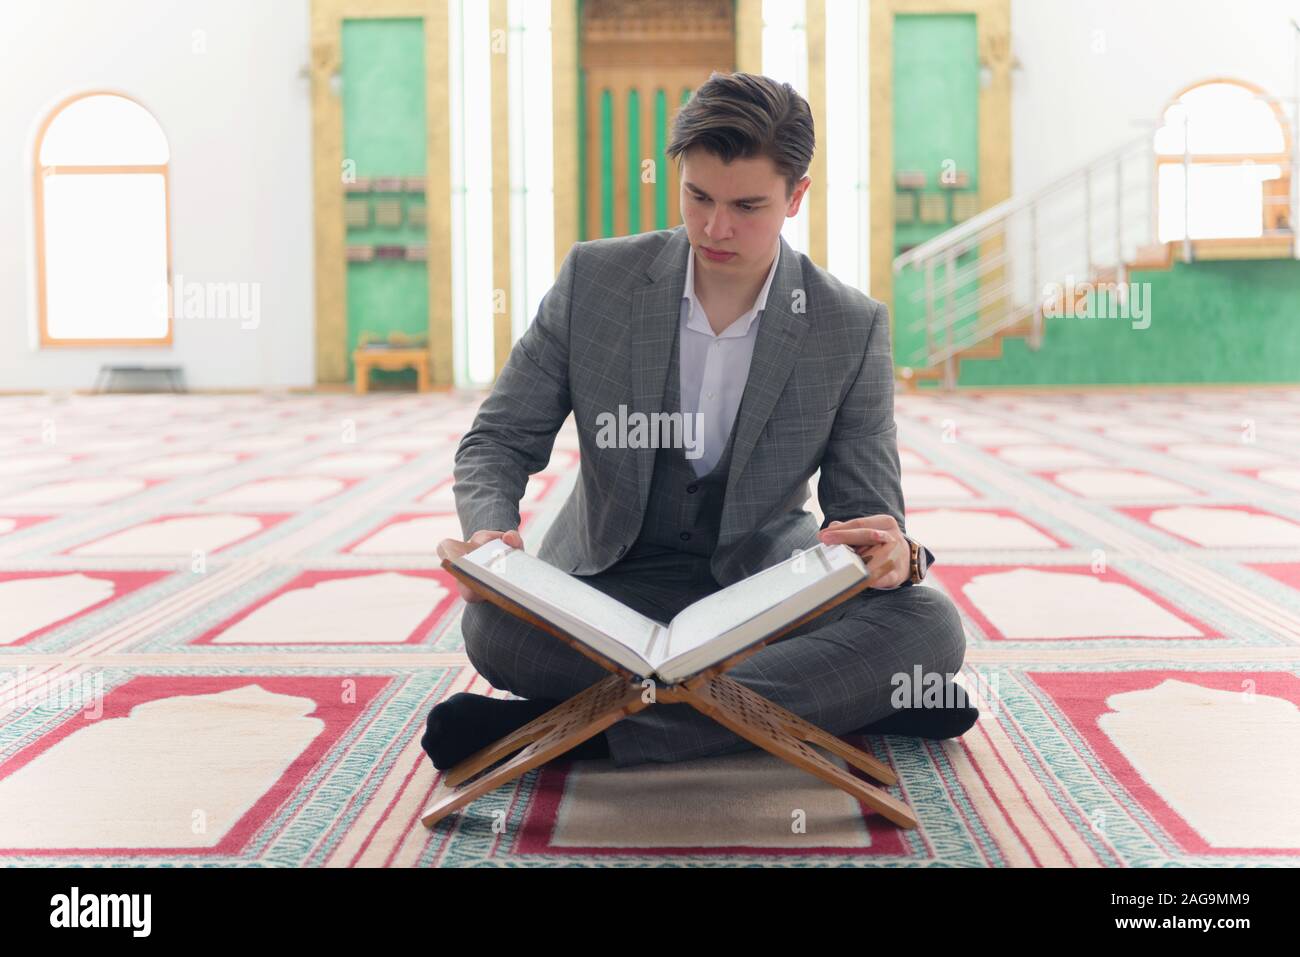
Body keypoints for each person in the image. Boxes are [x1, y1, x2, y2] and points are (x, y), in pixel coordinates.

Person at [423, 72, 974, 772]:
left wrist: (889, 548)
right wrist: (487, 534)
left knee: (928, 626)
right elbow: (498, 439)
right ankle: (806, 707)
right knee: (491, 624)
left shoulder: (850, 325)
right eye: (698, 197)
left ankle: (578, 733)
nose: (716, 227)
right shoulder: (595, 280)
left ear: (796, 196)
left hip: (761, 597)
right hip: (605, 583)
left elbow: (865, 510)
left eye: (747, 205)